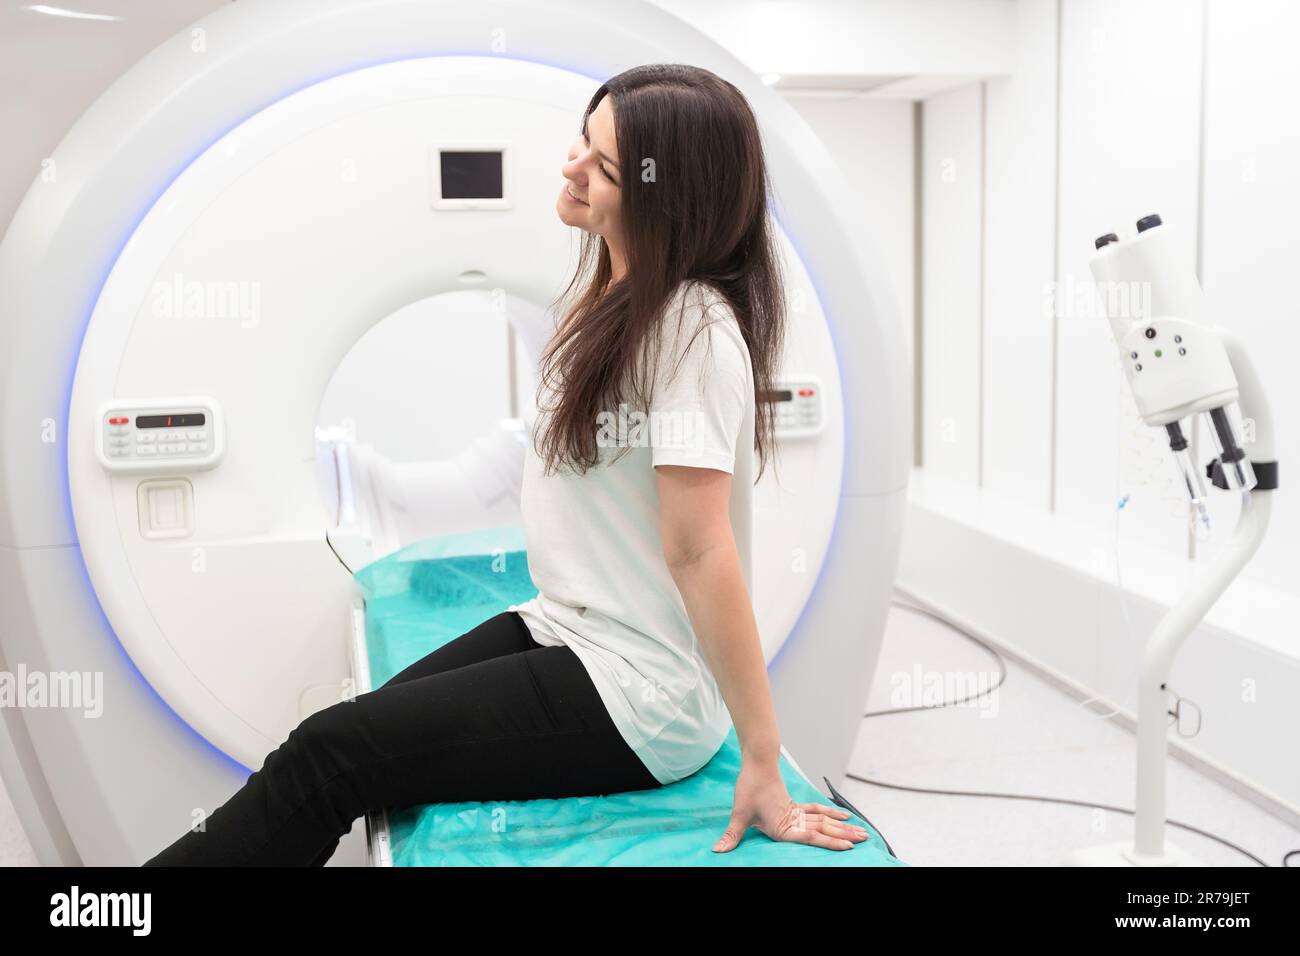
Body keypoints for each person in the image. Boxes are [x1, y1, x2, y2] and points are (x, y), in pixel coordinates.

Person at [143, 63, 868, 866]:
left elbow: (701, 549)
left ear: (666, 199)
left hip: (641, 696)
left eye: (605, 168)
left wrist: (762, 758)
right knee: (362, 728)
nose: (572, 168)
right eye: (581, 142)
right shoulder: (613, 297)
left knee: (330, 752)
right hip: (564, 627)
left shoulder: (692, 330)